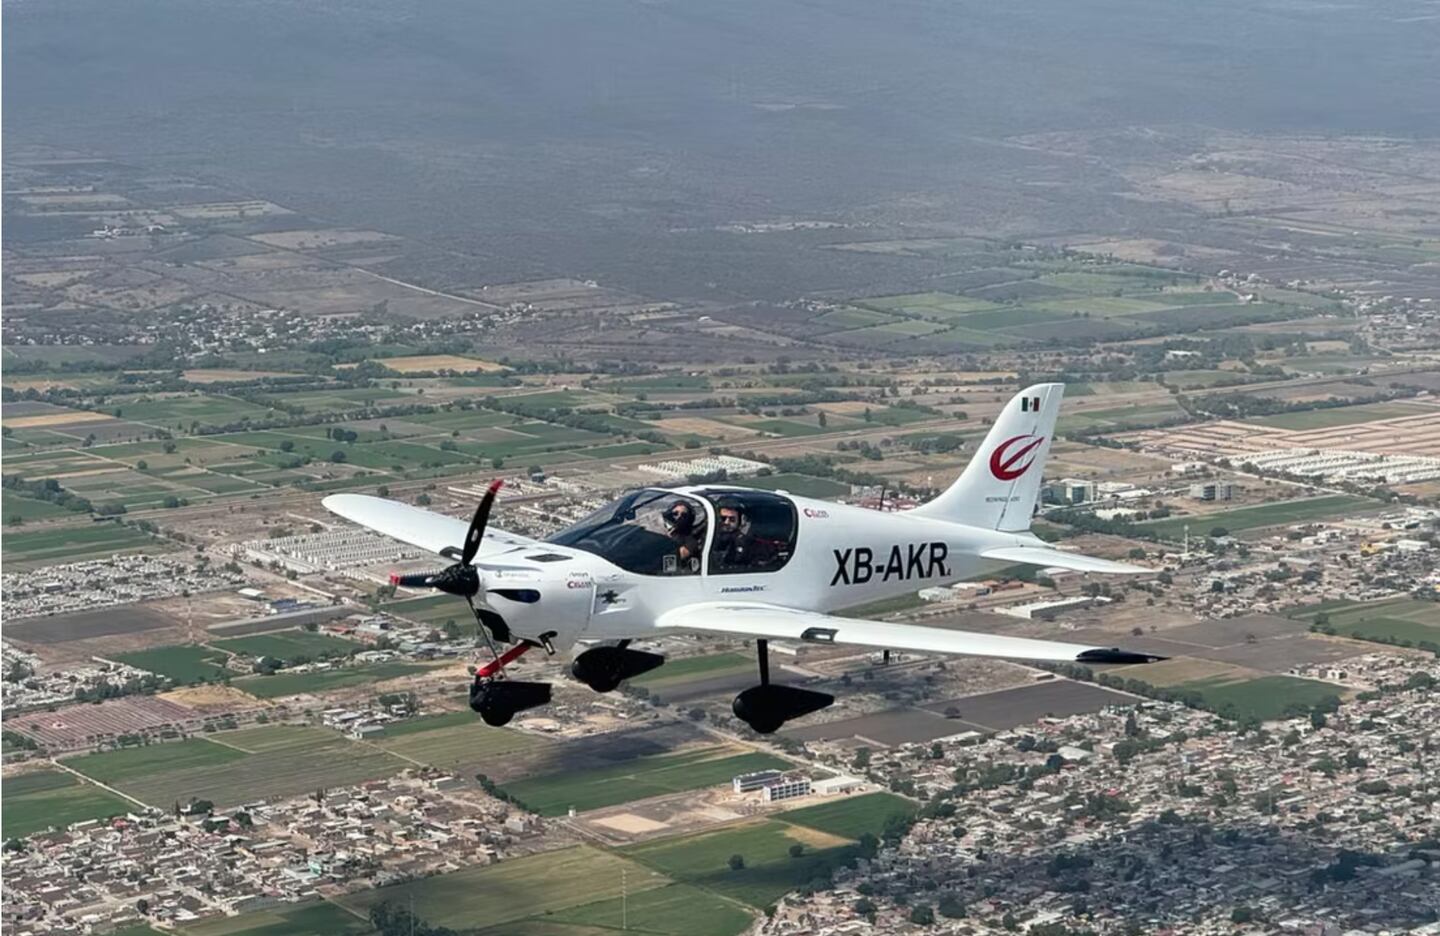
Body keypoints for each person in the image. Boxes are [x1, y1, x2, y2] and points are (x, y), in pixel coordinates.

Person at [710, 496, 773, 572]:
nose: (726, 523)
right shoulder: (709, 536)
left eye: (732, 519)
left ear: (741, 520)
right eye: (723, 518)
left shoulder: (750, 545)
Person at [663, 499, 703, 572]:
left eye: (684, 515)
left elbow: (673, 556)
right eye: (675, 513)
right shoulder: (663, 529)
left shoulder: (690, 540)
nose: (679, 517)